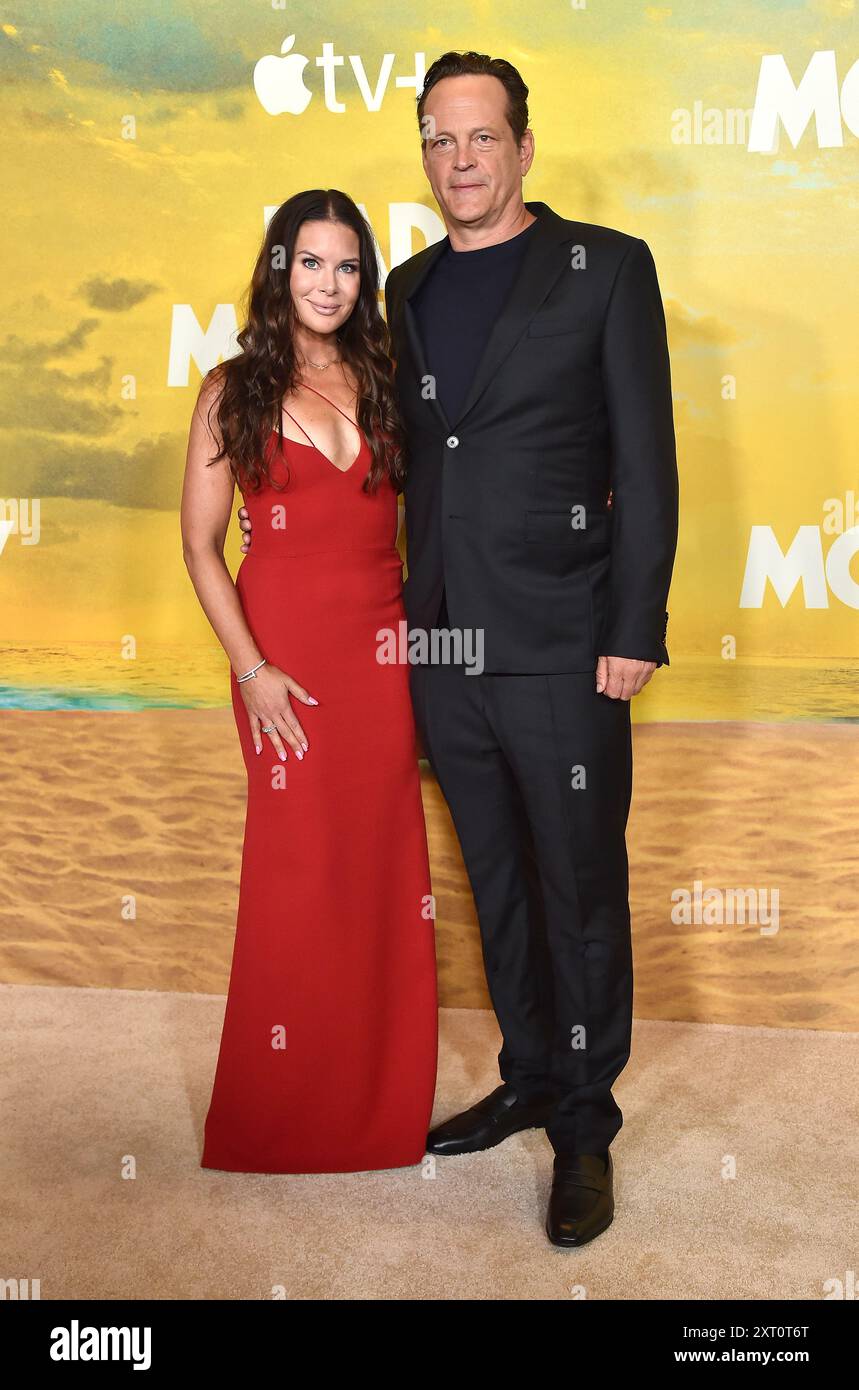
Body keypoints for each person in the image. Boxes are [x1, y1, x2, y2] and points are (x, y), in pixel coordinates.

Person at [240, 51, 679, 1246]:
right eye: (439, 138)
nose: (461, 158)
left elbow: (644, 464)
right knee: (494, 882)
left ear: (523, 147)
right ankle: (532, 1070)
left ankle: (584, 1126)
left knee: (578, 887)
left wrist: (634, 629)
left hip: (565, 643)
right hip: (437, 645)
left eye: (482, 136)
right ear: (424, 153)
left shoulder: (605, 269)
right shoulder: (412, 290)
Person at [181, 189, 437, 1174]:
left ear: (361, 278)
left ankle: (378, 1111)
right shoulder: (230, 389)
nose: (327, 284)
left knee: (381, 878)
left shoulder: (384, 377)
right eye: (310, 263)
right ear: (279, 268)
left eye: (345, 266)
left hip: (383, 660)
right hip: (281, 664)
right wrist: (251, 670)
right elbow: (202, 545)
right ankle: (278, 1113)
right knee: (297, 883)